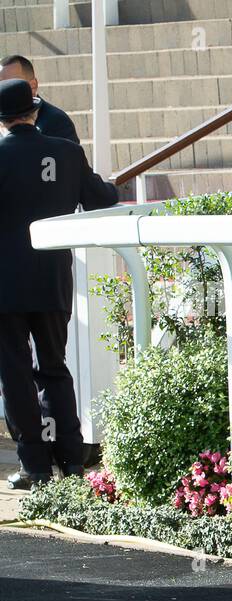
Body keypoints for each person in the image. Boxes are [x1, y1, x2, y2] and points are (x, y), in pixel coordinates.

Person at [0, 78, 118, 490]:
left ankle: (33, 466)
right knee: (53, 366)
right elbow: (102, 197)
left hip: (5, 285)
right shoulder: (66, 152)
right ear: (34, 112)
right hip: (52, 278)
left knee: (14, 373)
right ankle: (70, 459)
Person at [0, 55, 80, 143]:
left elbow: (69, 155)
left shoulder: (56, 121)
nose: (4, 88)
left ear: (33, 85)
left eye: (13, 83)